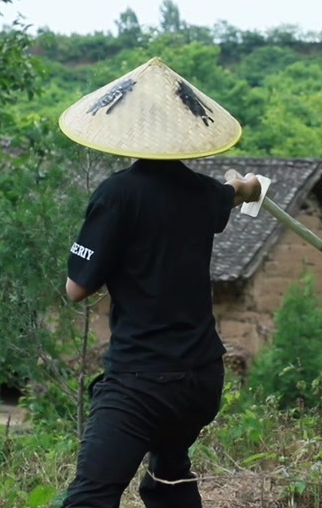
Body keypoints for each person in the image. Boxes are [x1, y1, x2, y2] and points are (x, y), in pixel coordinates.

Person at [56, 57, 263, 508]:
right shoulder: (206, 193)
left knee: (90, 497)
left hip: (143, 380)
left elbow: (76, 288)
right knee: (168, 476)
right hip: (201, 381)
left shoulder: (117, 195)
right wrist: (245, 186)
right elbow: (235, 193)